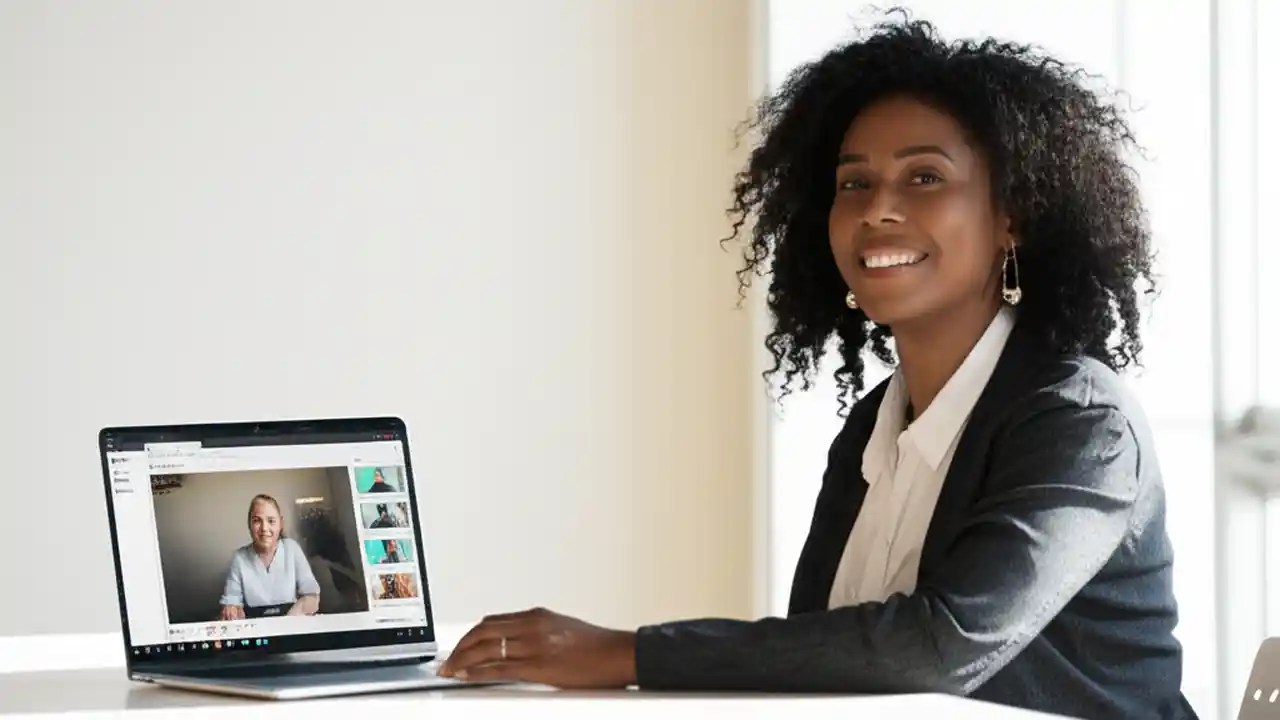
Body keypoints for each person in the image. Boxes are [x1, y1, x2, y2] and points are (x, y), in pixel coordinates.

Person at [438, 15, 1196, 720]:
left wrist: (627, 653)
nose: (877, 210)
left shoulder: (1078, 422)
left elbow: (939, 646)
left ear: (1012, 217)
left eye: (924, 177)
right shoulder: (876, 423)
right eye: (853, 184)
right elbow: (822, 653)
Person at [219, 494, 321, 620]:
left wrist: (286, 625)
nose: (264, 528)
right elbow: (231, 602)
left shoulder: (292, 549)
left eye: (271, 521)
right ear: (249, 524)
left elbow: (312, 596)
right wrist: (232, 609)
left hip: (291, 621)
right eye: (257, 521)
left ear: (280, 523)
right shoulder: (239, 558)